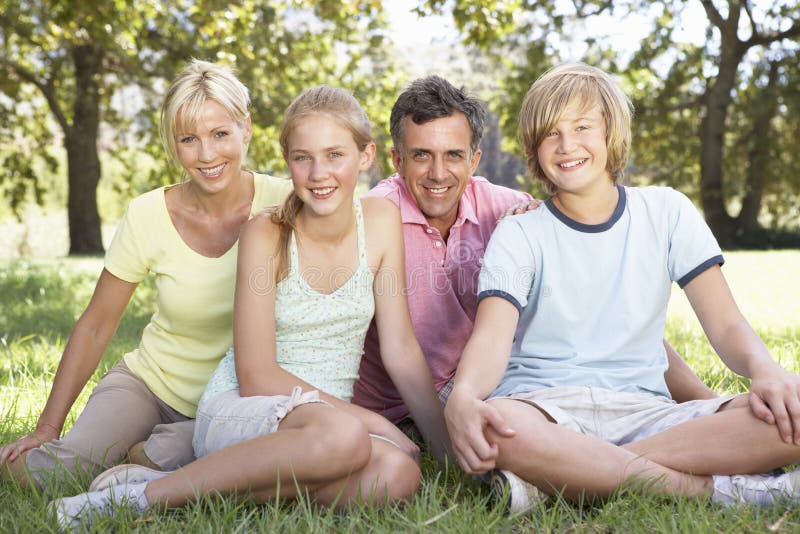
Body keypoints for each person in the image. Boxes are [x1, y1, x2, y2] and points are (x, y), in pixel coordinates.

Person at [50, 85, 450, 528]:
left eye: (335, 155)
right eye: (302, 157)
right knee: (347, 436)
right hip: (245, 405)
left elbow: (400, 348)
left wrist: (447, 453)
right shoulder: (266, 232)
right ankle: (142, 498)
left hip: (321, 429)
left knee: (398, 475)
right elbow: (257, 375)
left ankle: (197, 482)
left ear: (366, 155)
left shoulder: (379, 220)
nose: (319, 173)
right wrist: (376, 424)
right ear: (286, 160)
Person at [444, 62, 800, 512]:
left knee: (794, 406)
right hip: (545, 409)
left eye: (582, 127)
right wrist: (465, 396)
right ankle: (725, 491)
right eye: (551, 133)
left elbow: (726, 324)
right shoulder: (519, 233)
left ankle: (561, 478)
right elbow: (492, 338)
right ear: (535, 146)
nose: (567, 145)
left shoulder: (667, 212)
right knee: (499, 427)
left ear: (611, 132)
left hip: (649, 414)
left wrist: (765, 370)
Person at [352, 75, 716, 435]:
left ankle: (705, 408)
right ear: (397, 160)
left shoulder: (511, 211)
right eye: (421, 156)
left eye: (453, 156)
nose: (438, 173)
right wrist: (448, 443)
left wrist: (704, 399)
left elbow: (597, 313)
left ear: (474, 160)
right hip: (397, 405)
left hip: (483, 383)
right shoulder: (371, 219)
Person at [0, 60, 292, 488]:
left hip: (238, 401)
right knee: (61, 470)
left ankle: (153, 455)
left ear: (245, 129)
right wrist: (46, 427)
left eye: (220, 134)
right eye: (189, 139)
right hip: (150, 386)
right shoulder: (147, 214)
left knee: (181, 457)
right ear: (174, 146)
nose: (207, 155)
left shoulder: (284, 202)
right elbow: (98, 324)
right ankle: (142, 451)